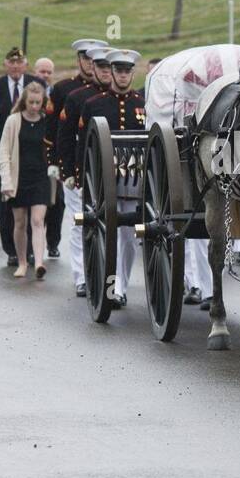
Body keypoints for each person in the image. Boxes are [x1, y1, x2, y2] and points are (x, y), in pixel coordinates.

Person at [76, 48, 145, 305]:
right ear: (113, 72)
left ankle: (121, 288)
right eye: (119, 71)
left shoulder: (141, 103)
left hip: (133, 177)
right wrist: (80, 175)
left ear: (132, 73)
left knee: (128, 237)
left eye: (127, 71)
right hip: (105, 179)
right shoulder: (95, 104)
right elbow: (84, 143)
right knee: (108, 233)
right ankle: (108, 285)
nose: (123, 76)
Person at [0, 48, 45, 267]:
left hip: (33, 157)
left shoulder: (36, 85)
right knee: (9, 207)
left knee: (34, 209)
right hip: (5, 158)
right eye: (12, 62)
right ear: (6, 65)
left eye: (20, 62)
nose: (16, 66)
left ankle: (29, 251)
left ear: (25, 64)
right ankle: (11, 248)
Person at [51, 39, 106, 291]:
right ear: (79, 60)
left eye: (95, 60)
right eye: (86, 59)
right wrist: (58, 165)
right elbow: (57, 131)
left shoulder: (108, 95)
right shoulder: (66, 90)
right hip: (76, 167)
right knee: (79, 222)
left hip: (104, 169)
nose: (89, 64)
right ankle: (81, 276)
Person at [0, 81, 53, 278]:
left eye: (39, 102)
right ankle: (22, 262)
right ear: (24, 101)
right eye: (31, 102)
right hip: (18, 177)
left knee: (38, 220)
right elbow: (3, 152)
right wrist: (6, 181)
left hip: (40, 177)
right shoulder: (13, 121)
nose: (35, 106)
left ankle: (38, 261)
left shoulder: (46, 121)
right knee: (20, 222)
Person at [33, 56, 65, 258]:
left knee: (56, 203)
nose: (45, 75)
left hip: (54, 156)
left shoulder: (58, 95)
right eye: (42, 71)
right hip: (34, 156)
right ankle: (33, 243)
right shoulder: (30, 93)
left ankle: (53, 242)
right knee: (35, 202)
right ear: (35, 72)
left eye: (48, 72)